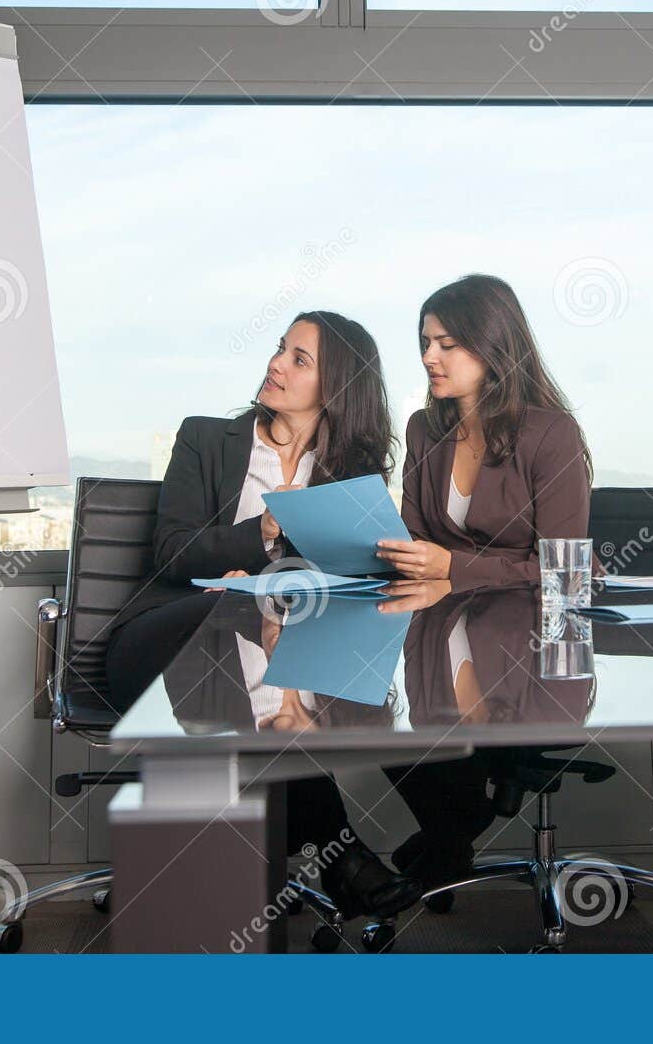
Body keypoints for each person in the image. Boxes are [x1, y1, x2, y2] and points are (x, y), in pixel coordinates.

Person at [103, 310, 420, 921]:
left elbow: (356, 584)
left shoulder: (348, 473)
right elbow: (170, 551)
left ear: (336, 389)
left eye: (299, 359)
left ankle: (265, 881)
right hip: (165, 645)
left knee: (283, 702)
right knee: (248, 634)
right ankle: (341, 855)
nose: (276, 363)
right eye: (281, 349)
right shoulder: (206, 439)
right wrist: (264, 529)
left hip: (270, 663)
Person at [373, 273, 591, 889]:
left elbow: (566, 569)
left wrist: (454, 568)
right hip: (438, 629)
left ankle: (448, 842)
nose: (428, 357)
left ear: (492, 346)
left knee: (440, 752)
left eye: (447, 343)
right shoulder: (425, 428)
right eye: (425, 342)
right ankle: (455, 829)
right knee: (372, 715)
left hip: (531, 648)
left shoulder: (550, 432)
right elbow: (418, 538)